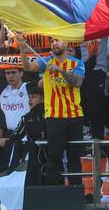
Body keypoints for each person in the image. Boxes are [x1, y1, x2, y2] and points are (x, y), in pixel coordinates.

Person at [18, 37, 84, 187]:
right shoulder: (45, 61)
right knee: (54, 157)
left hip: (75, 116)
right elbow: (27, 67)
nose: (54, 43)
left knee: (74, 157)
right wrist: (22, 47)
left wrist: (60, 70)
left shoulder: (77, 63)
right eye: (52, 41)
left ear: (66, 43)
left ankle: (76, 192)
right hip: (54, 117)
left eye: (57, 40)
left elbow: (78, 82)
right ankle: (52, 193)